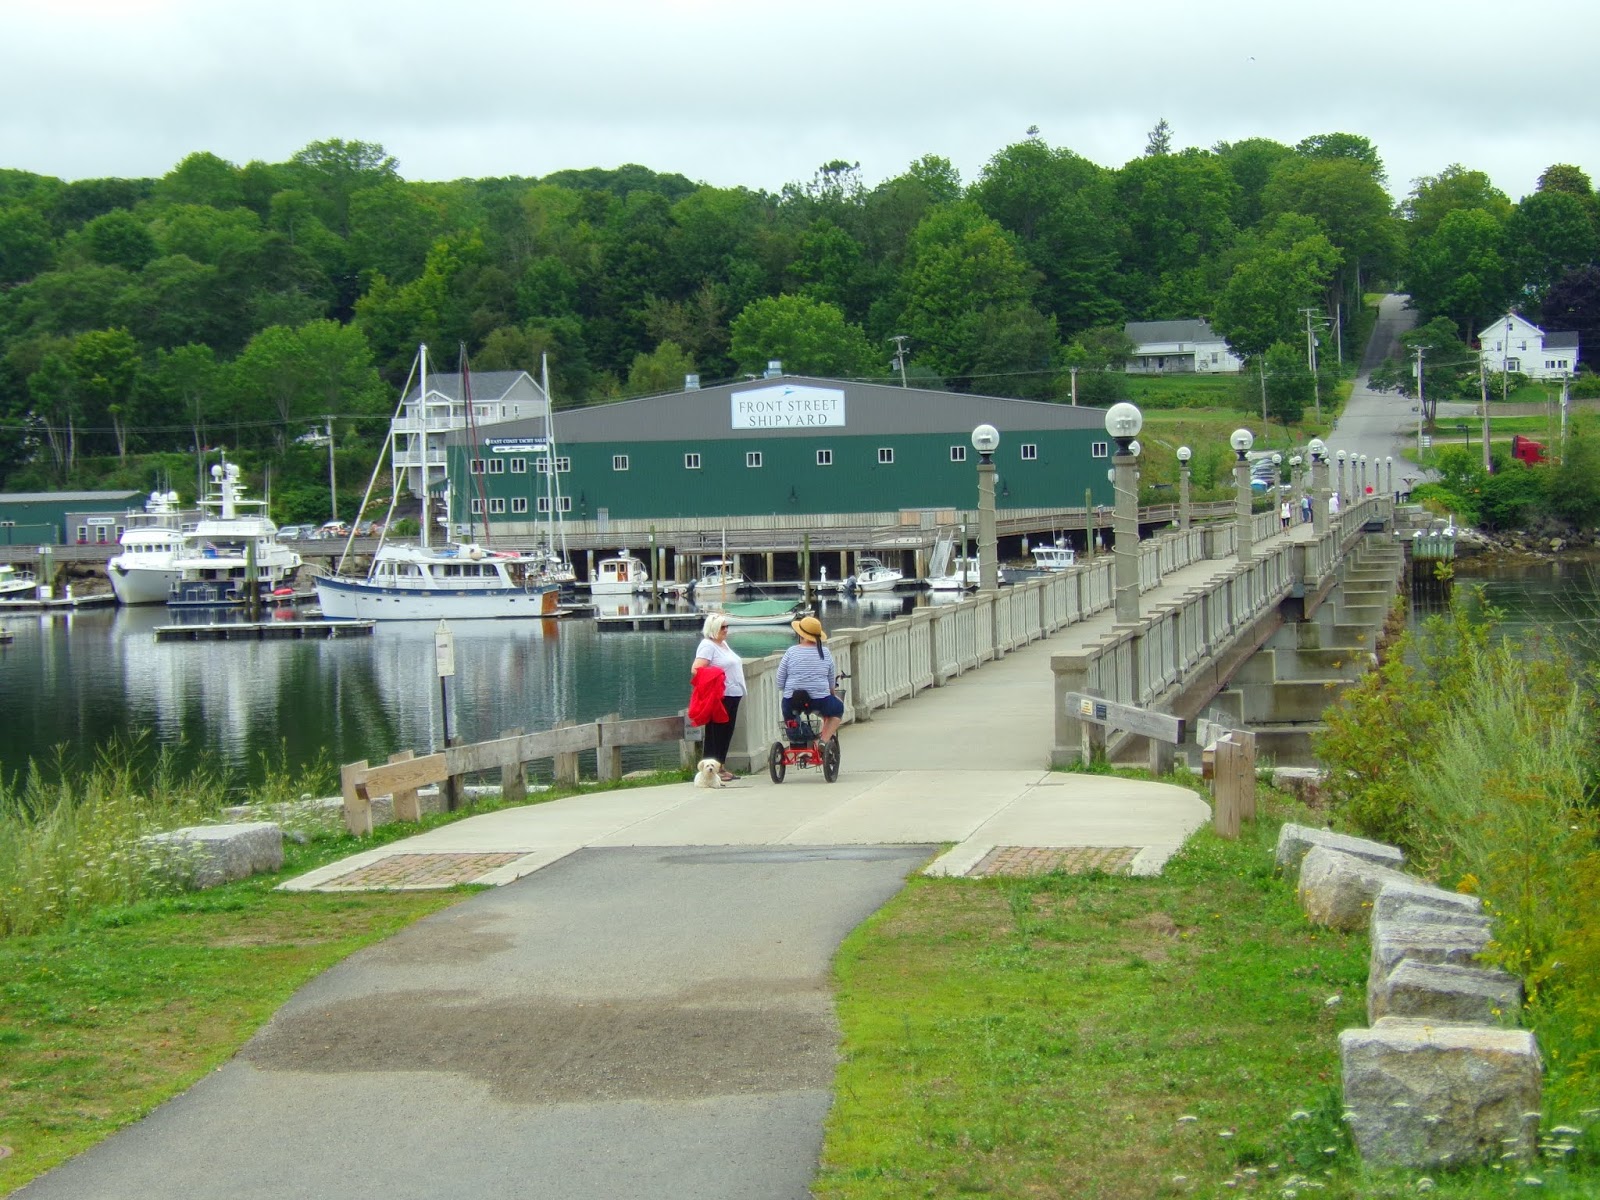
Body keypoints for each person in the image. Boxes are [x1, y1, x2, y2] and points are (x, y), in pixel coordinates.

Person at [776, 614, 844, 749]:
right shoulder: (825, 652)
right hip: (819, 700)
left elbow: (779, 681)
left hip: (792, 699)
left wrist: (790, 688)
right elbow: (831, 681)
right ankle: (823, 741)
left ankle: (801, 746)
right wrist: (831, 693)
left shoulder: (791, 652)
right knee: (838, 708)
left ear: (801, 634)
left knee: (791, 716)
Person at [691, 613, 745, 782]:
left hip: (734, 694)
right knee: (716, 732)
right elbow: (696, 669)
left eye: (727, 626)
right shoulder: (707, 645)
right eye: (722, 627)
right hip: (721, 696)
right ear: (713, 628)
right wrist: (717, 675)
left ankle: (720, 766)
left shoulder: (723, 644)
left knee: (727, 731)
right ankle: (711, 770)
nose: (726, 630)